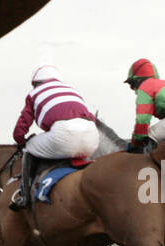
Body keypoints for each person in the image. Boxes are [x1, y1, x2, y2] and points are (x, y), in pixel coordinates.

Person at [8, 65, 100, 211]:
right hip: (92, 136)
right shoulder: (71, 90)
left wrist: (20, 140)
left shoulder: (34, 93)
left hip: (63, 134)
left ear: (36, 82)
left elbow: (22, 125)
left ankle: (24, 196)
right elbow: (90, 117)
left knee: (29, 147)